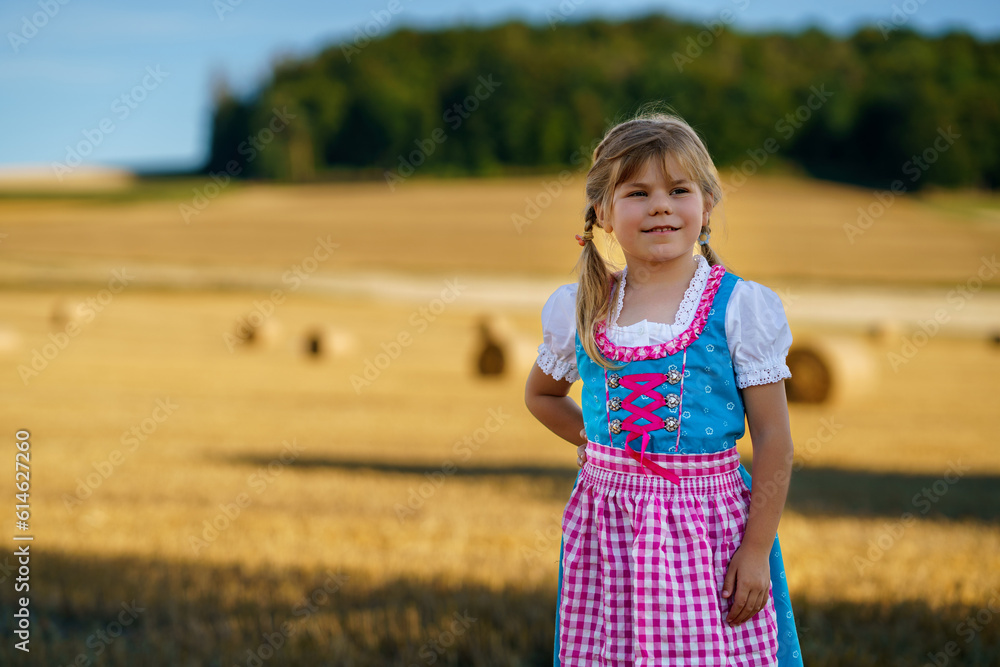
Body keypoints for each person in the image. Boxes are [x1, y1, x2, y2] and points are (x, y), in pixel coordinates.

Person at [523, 109, 804, 666]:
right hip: (610, 535)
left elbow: (774, 440)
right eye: (637, 192)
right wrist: (599, 443)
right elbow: (542, 396)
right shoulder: (583, 306)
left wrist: (755, 550)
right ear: (603, 211)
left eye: (679, 189)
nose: (660, 205)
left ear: (706, 208)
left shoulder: (739, 308)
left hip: (708, 534)